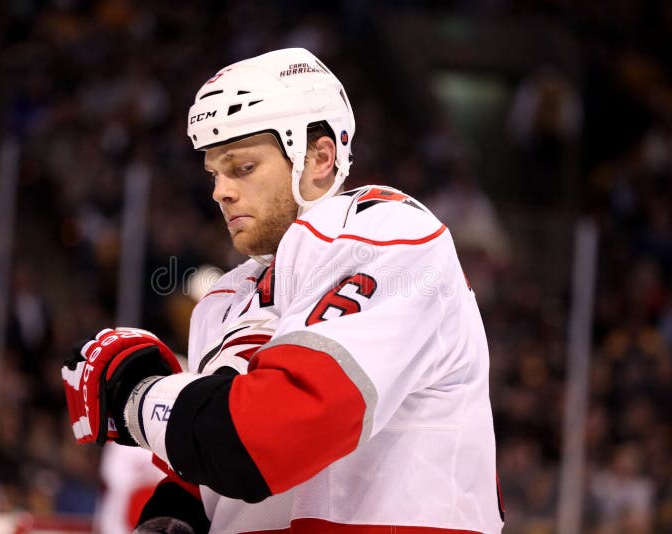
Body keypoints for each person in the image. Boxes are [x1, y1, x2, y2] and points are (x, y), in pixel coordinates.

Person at [62, 47, 504, 534]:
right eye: (214, 172)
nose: (220, 191)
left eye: (242, 168)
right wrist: (172, 512)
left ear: (319, 157)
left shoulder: (389, 237)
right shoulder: (226, 297)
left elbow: (269, 437)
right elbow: (215, 469)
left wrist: (135, 397)